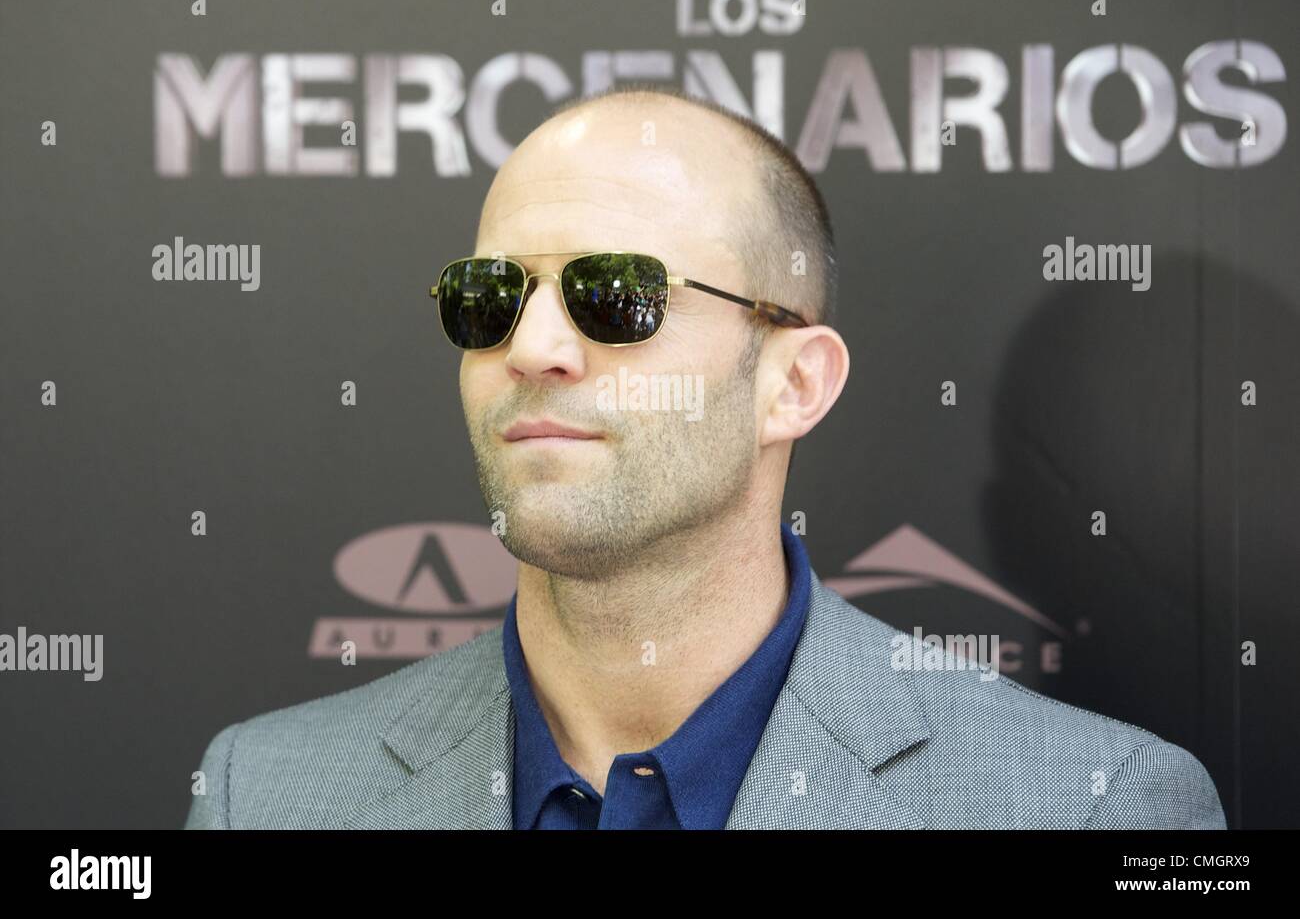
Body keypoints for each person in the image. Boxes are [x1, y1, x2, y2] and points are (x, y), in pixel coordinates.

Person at [184, 84, 1225, 829]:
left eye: (617, 295)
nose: (533, 347)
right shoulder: (263, 791)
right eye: (489, 296)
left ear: (795, 383)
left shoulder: (1092, 804)